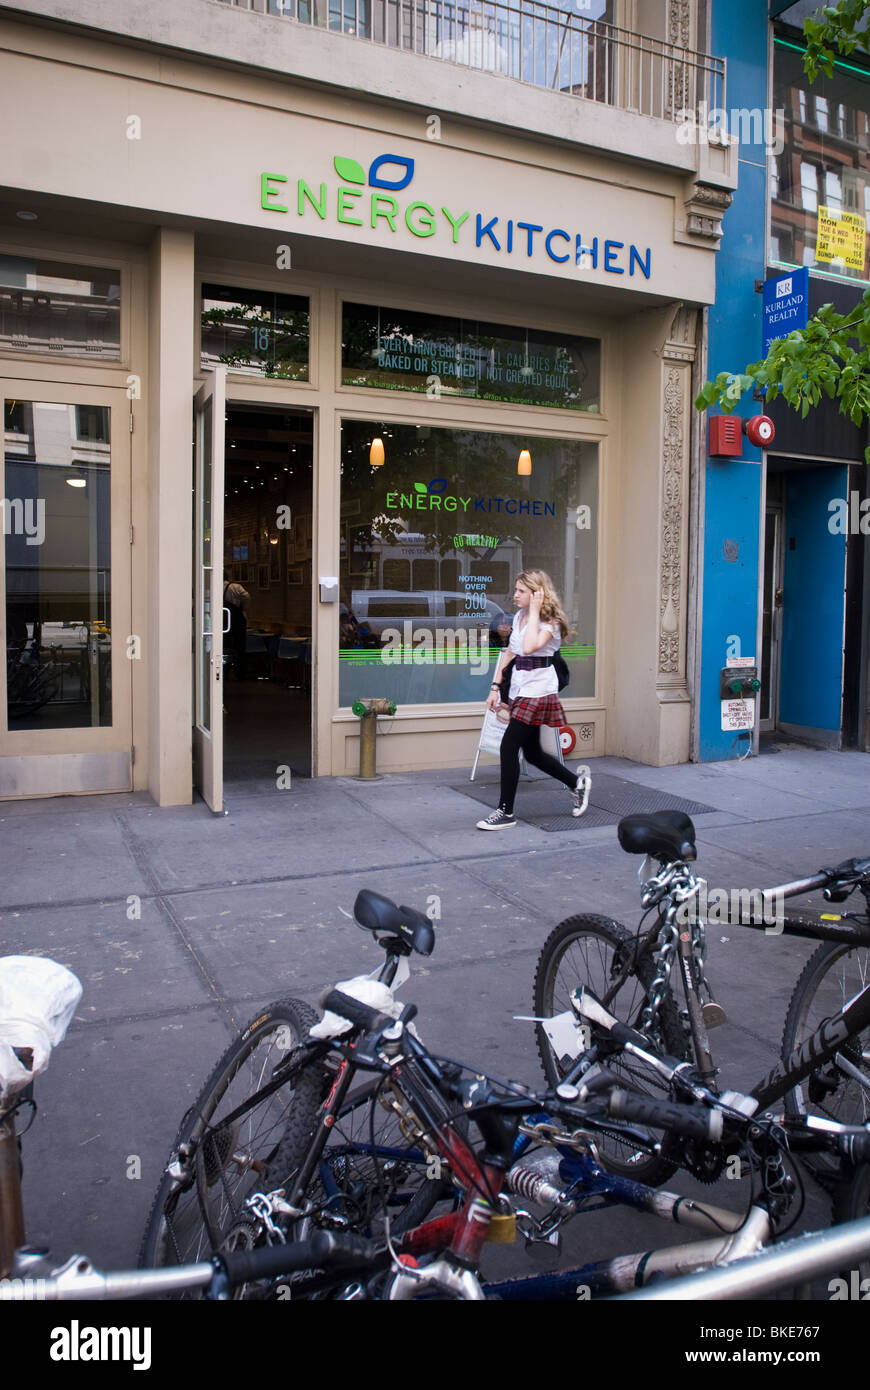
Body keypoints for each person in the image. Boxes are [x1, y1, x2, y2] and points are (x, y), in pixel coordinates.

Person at [477, 569, 584, 830]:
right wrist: (495, 687)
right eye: (515, 590)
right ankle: (576, 783)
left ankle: (506, 811)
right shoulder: (519, 616)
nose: (515, 595)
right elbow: (512, 652)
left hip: (538, 690)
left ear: (537, 594)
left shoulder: (552, 621)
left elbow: (529, 647)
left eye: (521, 591)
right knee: (533, 753)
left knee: (508, 746)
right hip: (519, 688)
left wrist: (535, 612)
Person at [223, 572, 250, 681]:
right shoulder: (235, 587)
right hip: (237, 620)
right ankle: (239, 672)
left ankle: (225, 670)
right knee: (239, 646)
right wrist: (243, 608)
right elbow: (247, 597)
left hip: (222, 621)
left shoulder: (212, 585)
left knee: (224, 645)